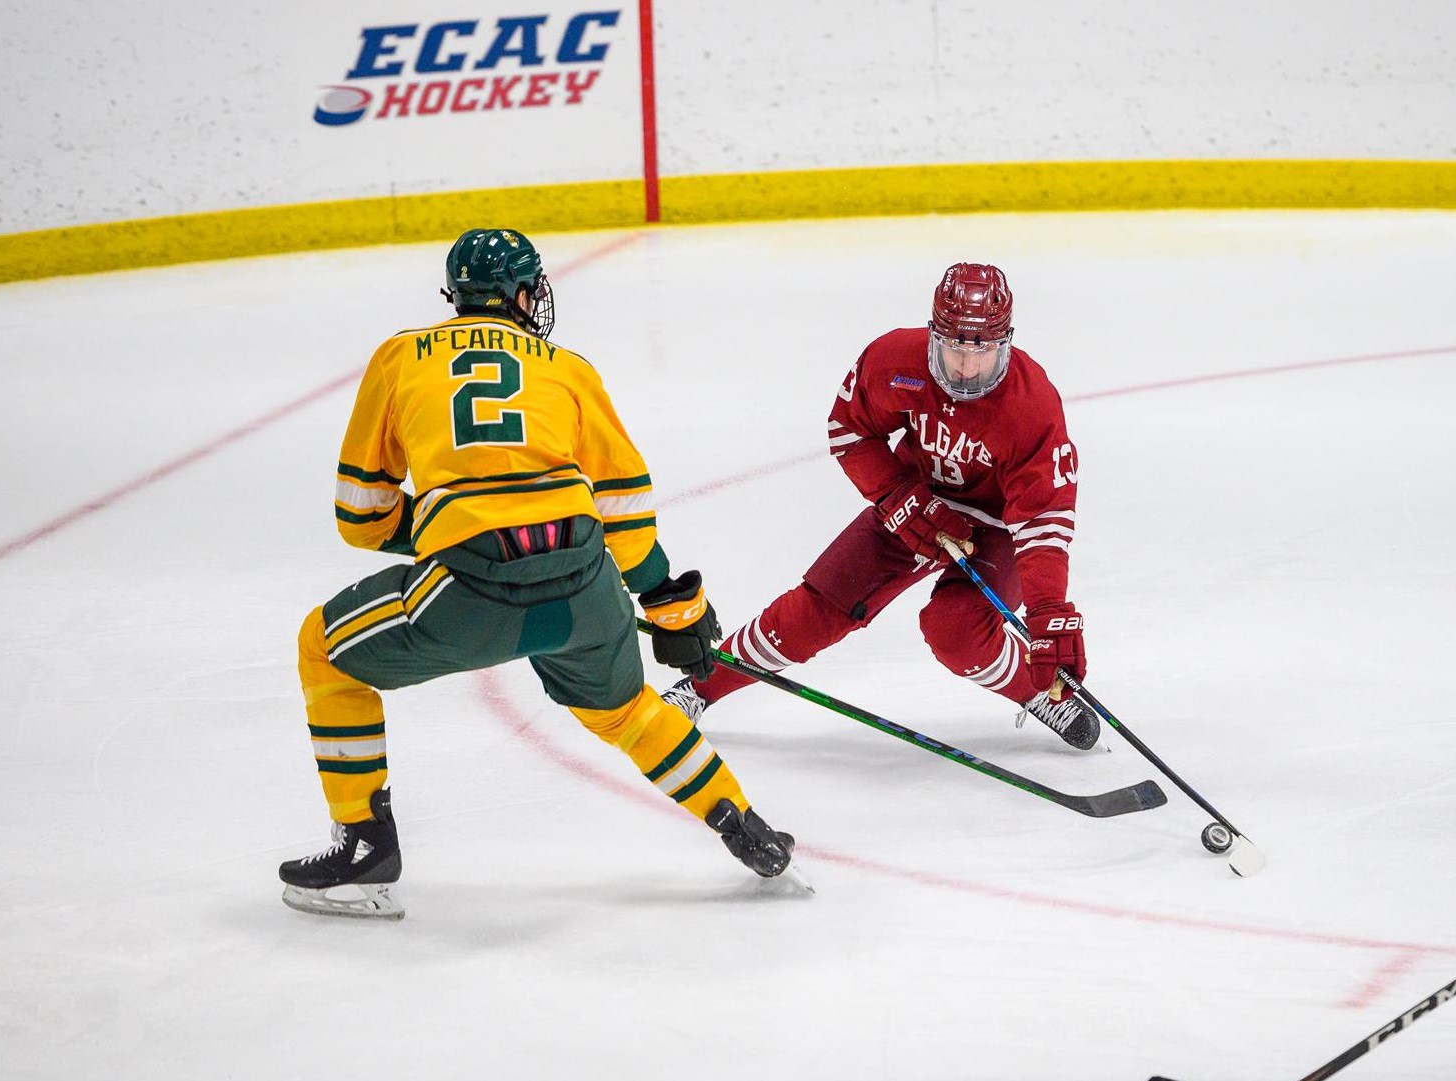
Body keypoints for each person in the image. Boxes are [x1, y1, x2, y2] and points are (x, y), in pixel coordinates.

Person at [279, 228, 794, 920]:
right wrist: (671, 609)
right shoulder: (567, 368)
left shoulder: (400, 357)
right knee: (628, 710)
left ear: (455, 298)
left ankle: (364, 846)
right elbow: (624, 510)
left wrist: (448, 522)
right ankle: (741, 822)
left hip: (469, 589)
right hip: (583, 577)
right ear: (523, 295)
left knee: (325, 649)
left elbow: (360, 511)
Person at [660, 262, 1099, 749]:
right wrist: (900, 499)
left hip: (996, 526)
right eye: (955, 350)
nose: (968, 370)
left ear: (1006, 343)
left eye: (985, 353)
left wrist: (1048, 612)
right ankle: (702, 686)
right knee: (814, 612)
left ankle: (1038, 693)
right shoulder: (896, 361)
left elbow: (1042, 523)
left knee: (955, 632)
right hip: (916, 500)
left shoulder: (1031, 404)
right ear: (935, 335)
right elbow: (849, 430)